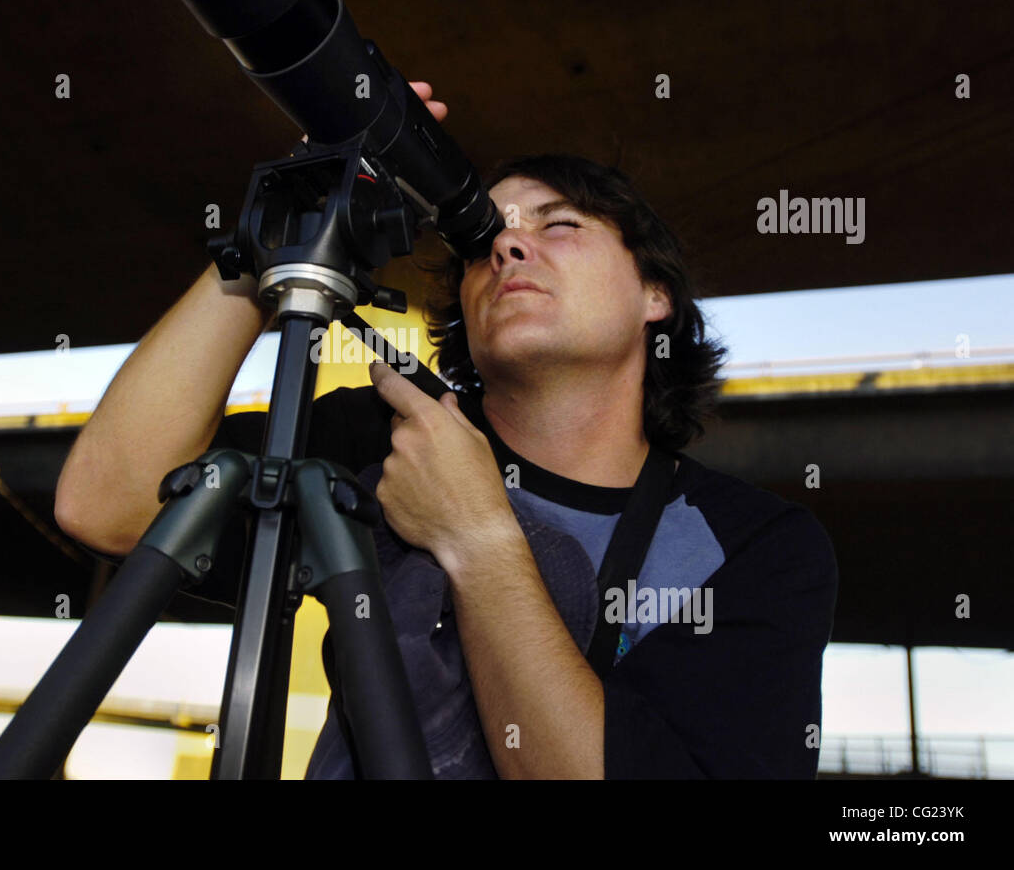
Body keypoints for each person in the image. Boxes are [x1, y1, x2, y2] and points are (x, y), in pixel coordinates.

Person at [54, 83, 838, 779]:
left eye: (559, 224)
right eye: (482, 240)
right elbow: (109, 503)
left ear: (656, 295)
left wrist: (476, 536)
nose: (506, 243)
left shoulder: (753, 545)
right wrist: (290, 227)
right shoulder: (389, 443)